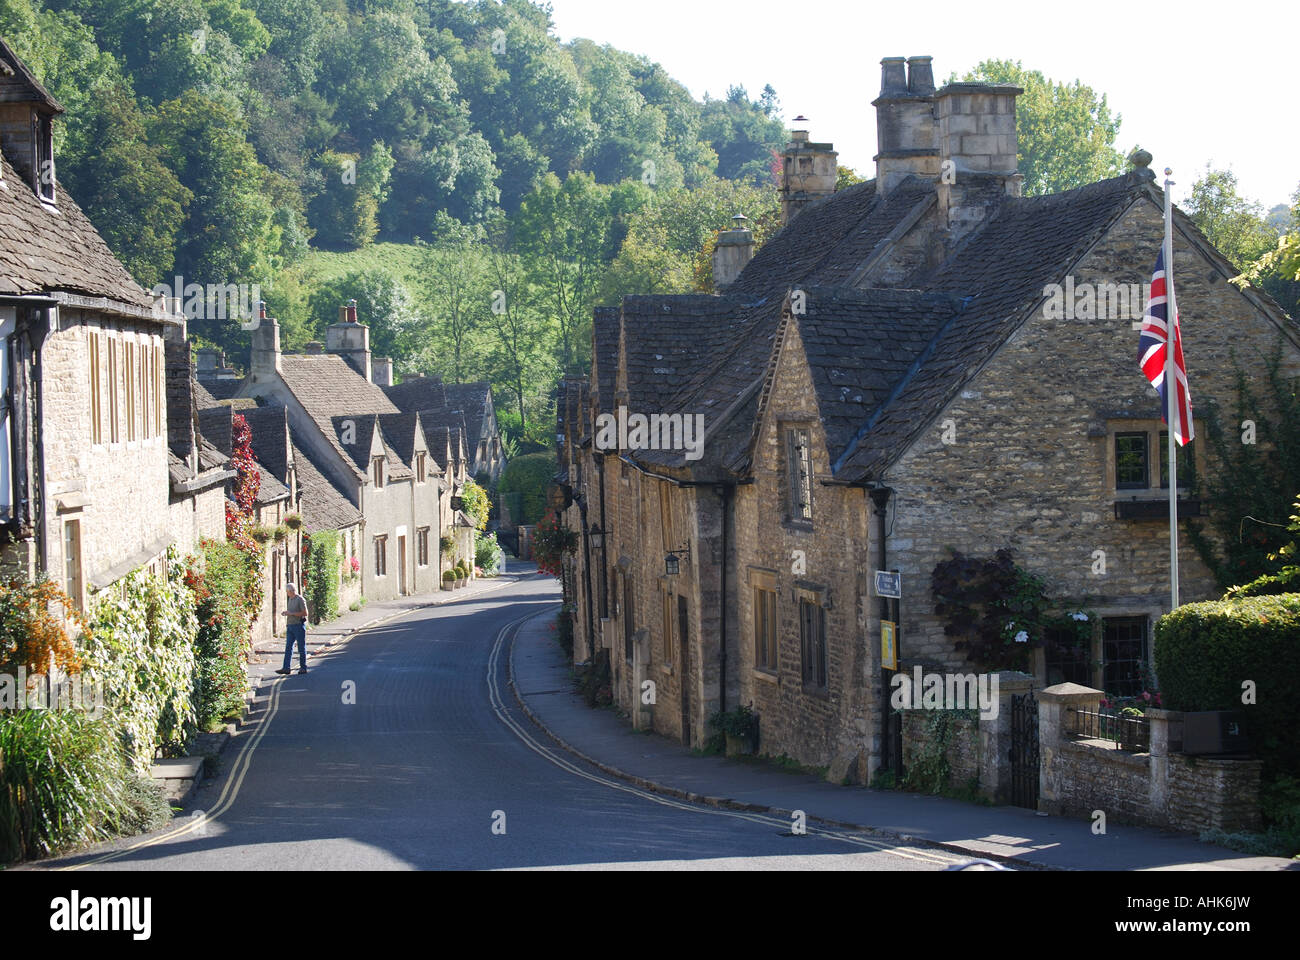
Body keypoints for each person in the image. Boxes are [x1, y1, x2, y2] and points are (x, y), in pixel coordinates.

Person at [276, 583, 309, 675]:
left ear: (291, 591)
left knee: (301, 647)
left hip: (298, 625)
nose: (287, 594)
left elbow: (305, 613)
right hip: (290, 626)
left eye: (287, 592)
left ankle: (303, 667)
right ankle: (286, 668)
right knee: (288, 647)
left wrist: (291, 613)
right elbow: (291, 612)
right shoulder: (290, 599)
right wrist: (287, 613)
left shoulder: (300, 599)